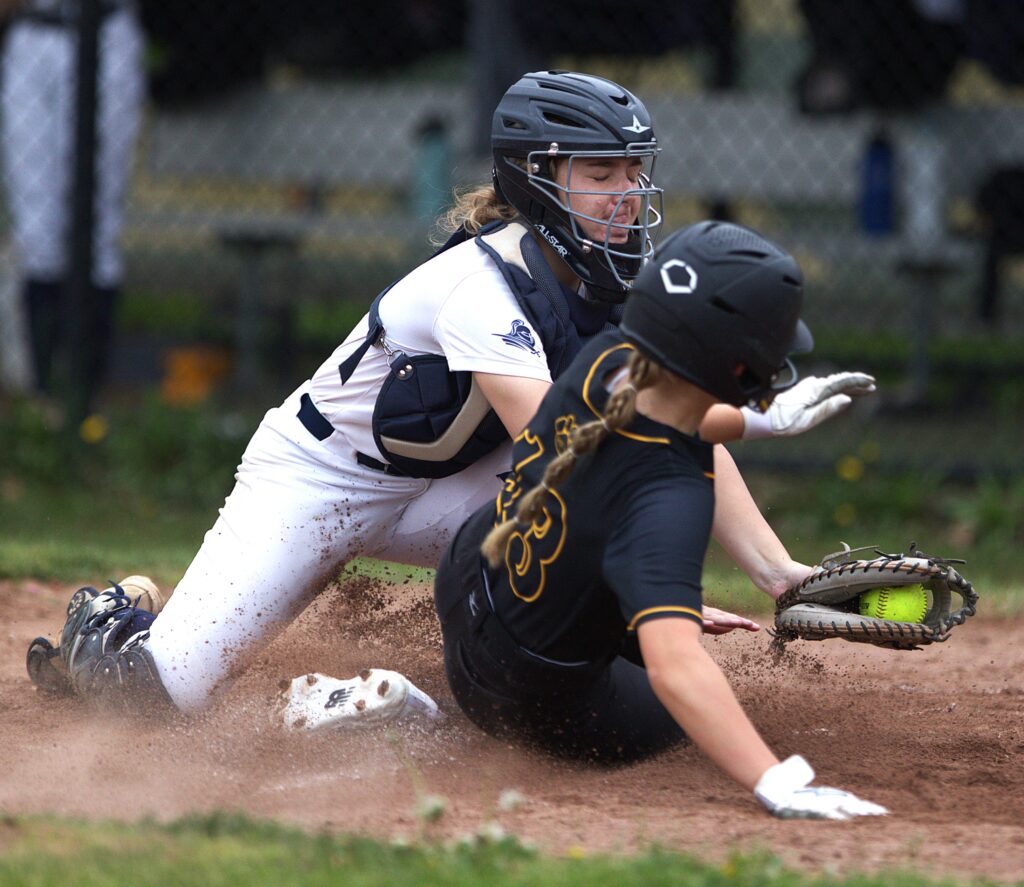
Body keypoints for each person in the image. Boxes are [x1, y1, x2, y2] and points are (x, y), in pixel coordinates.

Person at [26, 72, 873, 718]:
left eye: (633, 170)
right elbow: (561, 435)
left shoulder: (615, 282)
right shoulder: (482, 283)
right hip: (320, 480)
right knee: (156, 702)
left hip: (448, 488)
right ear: (540, 178)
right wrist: (746, 434)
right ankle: (110, 618)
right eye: (600, 171)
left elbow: (670, 430)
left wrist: (780, 575)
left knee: (617, 484)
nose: (626, 191)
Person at [433, 220, 889, 821]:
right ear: (734, 363)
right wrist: (776, 782)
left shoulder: (609, 362)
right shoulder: (669, 498)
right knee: (680, 693)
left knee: (604, 595)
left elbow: (672, 418)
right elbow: (678, 670)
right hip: (523, 698)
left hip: (470, 578)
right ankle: (426, 716)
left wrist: (763, 420)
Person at [1, 0, 145, 406]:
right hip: (31, 32)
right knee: (37, 228)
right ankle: (45, 393)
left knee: (97, 222)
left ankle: (87, 393)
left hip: (106, 29)